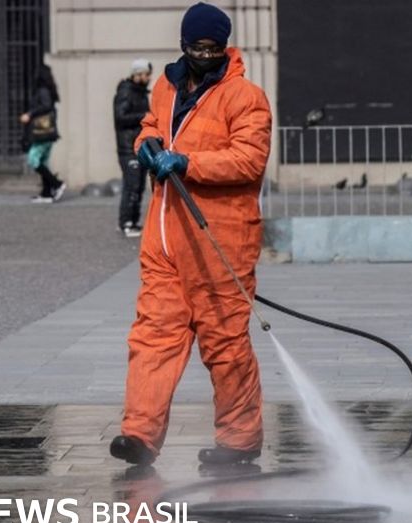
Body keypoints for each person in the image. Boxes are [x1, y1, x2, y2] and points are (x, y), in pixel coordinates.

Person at [109, 2, 272, 467]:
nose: (203, 54)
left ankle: (240, 440)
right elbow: (148, 129)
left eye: (211, 47)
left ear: (223, 45)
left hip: (219, 242)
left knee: (225, 343)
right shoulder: (166, 86)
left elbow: (249, 159)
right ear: (183, 44)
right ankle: (138, 435)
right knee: (153, 336)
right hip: (164, 239)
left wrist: (188, 162)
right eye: (196, 46)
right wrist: (148, 147)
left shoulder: (245, 97)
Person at [114, 58, 153, 237]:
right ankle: (126, 223)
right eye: (145, 74)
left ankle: (133, 221)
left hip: (138, 146)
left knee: (138, 186)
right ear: (137, 74)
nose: (148, 78)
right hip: (128, 148)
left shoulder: (140, 92)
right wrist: (145, 116)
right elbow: (120, 117)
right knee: (132, 185)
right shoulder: (126, 92)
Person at [20, 64, 66, 203]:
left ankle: (57, 184)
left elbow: (46, 106)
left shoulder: (42, 90)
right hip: (48, 132)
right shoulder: (48, 90)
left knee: (33, 159)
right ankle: (47, 193)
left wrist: (30, 114)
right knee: (43, 162)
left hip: (42, 132)